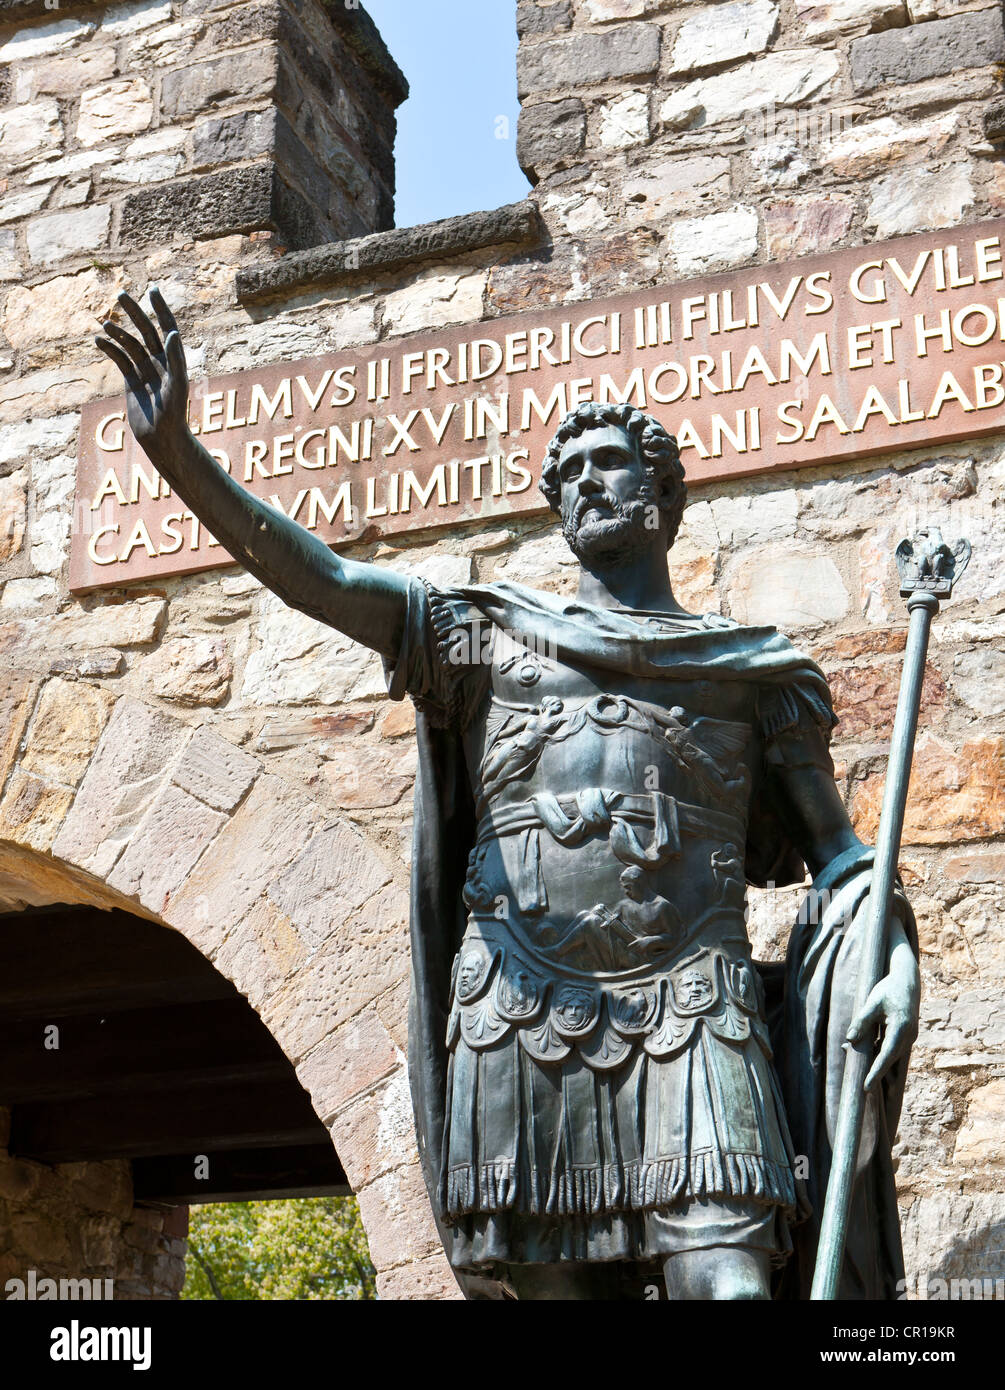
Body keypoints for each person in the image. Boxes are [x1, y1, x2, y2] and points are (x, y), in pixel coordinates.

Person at [97, 290, 920, 1301]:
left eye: (608, 463)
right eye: (567, 473)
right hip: (520, 1011)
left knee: (736, 1283)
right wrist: (179, 455)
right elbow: (324, 579)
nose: (585, 482)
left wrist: (893, 952)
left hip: (697, 1007)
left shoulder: (751, 670)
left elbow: (838, 857)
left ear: (662, 492)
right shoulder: (484, 637)